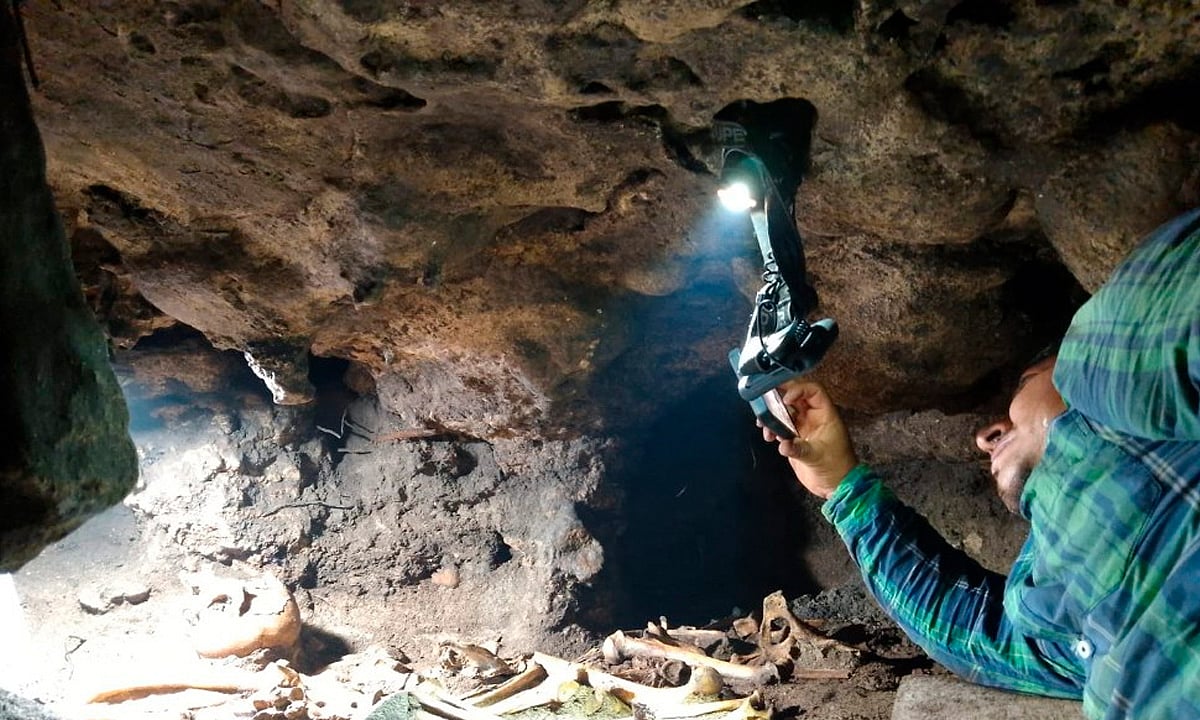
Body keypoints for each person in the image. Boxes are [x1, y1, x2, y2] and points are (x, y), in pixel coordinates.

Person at [764, 207, 1200, 720]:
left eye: (1024, 384)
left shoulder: (1110, 361)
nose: (984, 436)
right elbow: (973, 632)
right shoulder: (1063, 615)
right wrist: (843, 486)